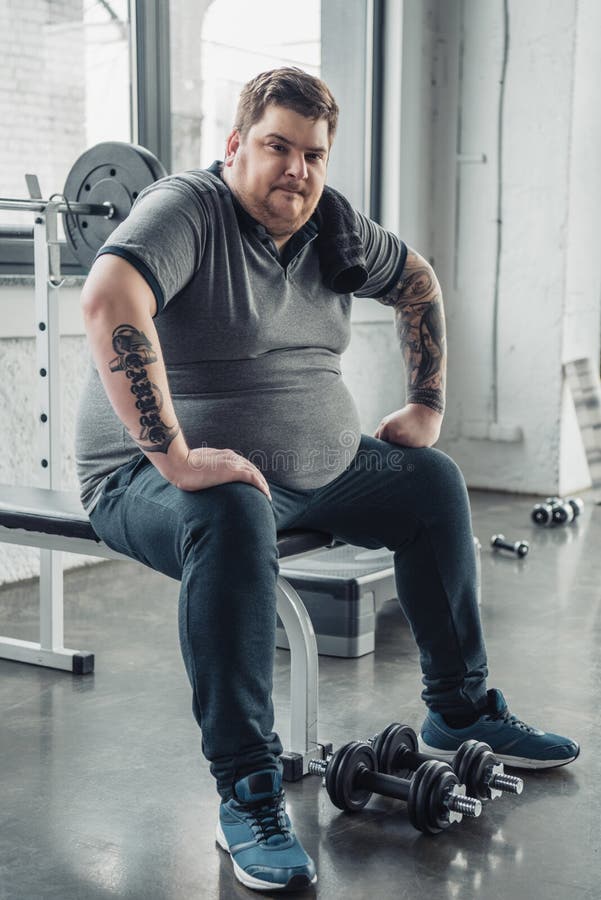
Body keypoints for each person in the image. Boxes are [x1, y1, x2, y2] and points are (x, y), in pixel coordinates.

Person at [75, 67, 579, 893]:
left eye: (313, 154)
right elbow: (108, 298)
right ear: (235, 145)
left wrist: (426, 404)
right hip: (142, 477)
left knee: (430, 482)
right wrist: (174, 455)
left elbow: (417, 280)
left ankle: (456, 708)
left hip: (312, 470)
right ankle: (246, 789)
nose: (296, 171)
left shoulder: (333, 229)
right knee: (231, 508)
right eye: (277, 147)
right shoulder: (187, 210)